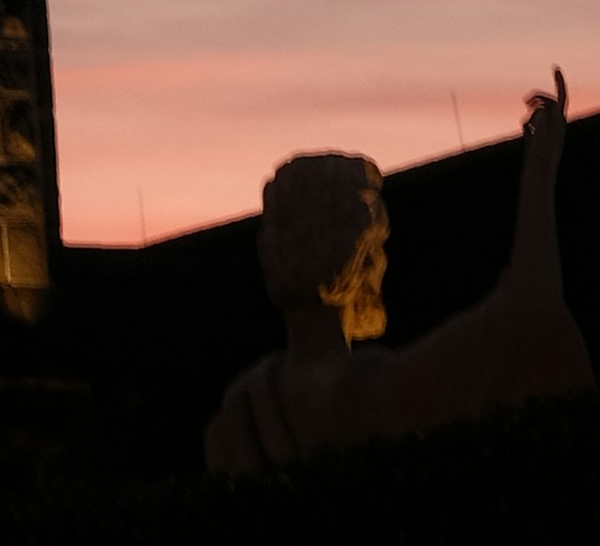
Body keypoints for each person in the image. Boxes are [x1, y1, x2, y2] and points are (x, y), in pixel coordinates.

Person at [206, 70, 585, 473]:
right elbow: (529, 309)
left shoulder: (239, 413)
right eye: (377, 246)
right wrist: (541, 166)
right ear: (357, 259)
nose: (381, 264)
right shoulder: (371, 392)